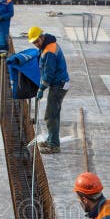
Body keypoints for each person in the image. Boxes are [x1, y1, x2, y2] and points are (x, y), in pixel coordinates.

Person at [28, 26, 69, 154]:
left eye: (37, 41)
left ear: (42, 37)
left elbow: (49, 74)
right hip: (59, 83)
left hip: (59, 85)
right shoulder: (47, 45)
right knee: (53, 114)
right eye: (33, 42)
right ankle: (52, 139)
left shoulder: (49, 51)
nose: (36, 44)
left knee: (51, 116)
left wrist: (41, 88)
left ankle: (54, 145)